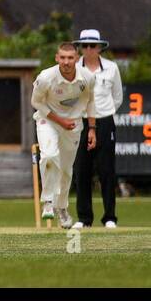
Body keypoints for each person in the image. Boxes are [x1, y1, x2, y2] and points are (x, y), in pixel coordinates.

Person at [31, 41, 96, 229]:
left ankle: (62, 208)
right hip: (48, 120)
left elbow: (90, 103)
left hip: (74, 125)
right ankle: (48, 202)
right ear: (56, 58)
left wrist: (92, 129)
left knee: (66, 171)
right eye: (63, 58)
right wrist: (59, 120)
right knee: (49, 156)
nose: (66, 62)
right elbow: (36, 102)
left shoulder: (88, 78)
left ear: (77, 58)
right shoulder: (45, 78)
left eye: (70, 58)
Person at [72, 29, 123, 229]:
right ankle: (84, 218)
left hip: (104, 121)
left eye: (92, 46)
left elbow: (117, 97)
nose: (88, 50)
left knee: (106, 170)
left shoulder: (111, 68)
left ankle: (109, 217)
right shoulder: (74, 68)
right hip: (81, 122)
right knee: (82, 170)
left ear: (100, 47)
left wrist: (104, 113)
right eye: (84, 46)